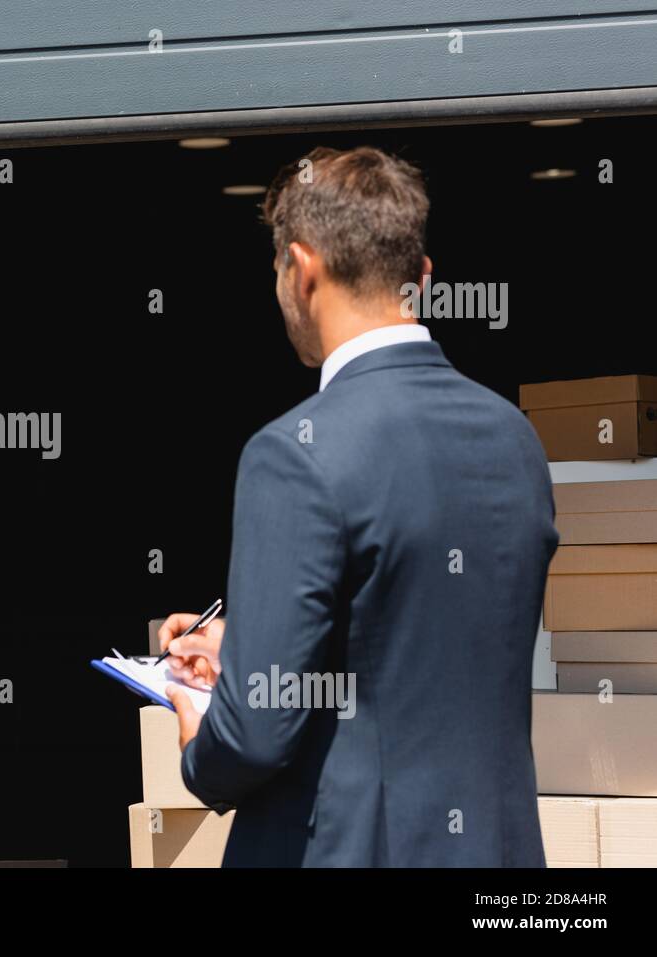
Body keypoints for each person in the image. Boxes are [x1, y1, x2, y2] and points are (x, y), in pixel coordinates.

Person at [159, 146, 557, 866]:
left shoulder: (293, 453)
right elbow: (421, 643)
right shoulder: (516, 438)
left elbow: (253, 736)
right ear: (423, 277)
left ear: (301, 270)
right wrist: (251, 650)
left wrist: (198, 742)